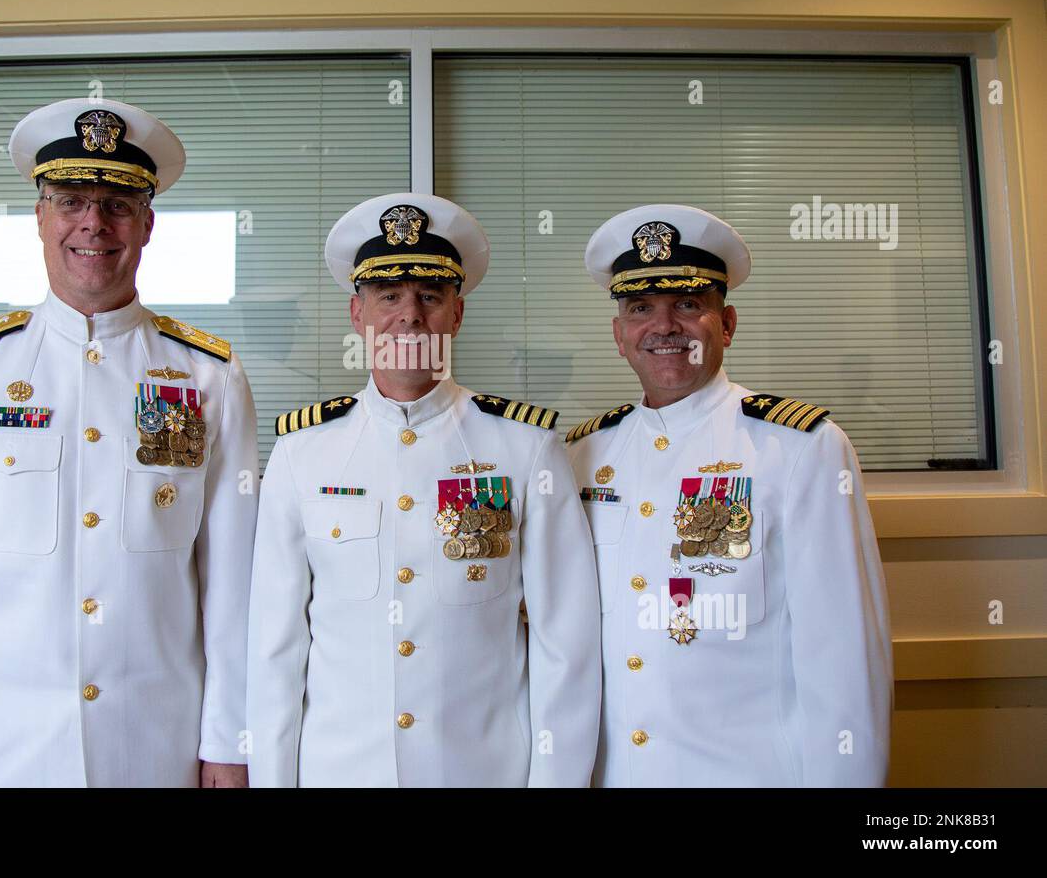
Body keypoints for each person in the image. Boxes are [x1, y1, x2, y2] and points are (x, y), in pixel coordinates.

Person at [0, 98, 258, 787]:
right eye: (72, 201)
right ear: (40, 217)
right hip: (1, 751)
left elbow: (231, 588)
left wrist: (230, 744)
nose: (94, 223)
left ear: (147, 223)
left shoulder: (210, 376)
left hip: (153, 747)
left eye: (117, 204)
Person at [246, 193, 601, 787]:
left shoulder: (525, 448)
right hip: (341, 772)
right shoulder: (302, 453)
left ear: (456, 315)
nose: (409, 316)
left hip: (484, 772)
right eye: (388, 296)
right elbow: (275, 645)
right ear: (356, 315)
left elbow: (565, 640)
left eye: (430, 297)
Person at [567, 203, 892, 787]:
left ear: (728, 323)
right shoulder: (583, 455)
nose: (664, 326)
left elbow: (844, 659)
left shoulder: (799, 449)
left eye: (688, 305)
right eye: (640, 309)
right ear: (619, 335)